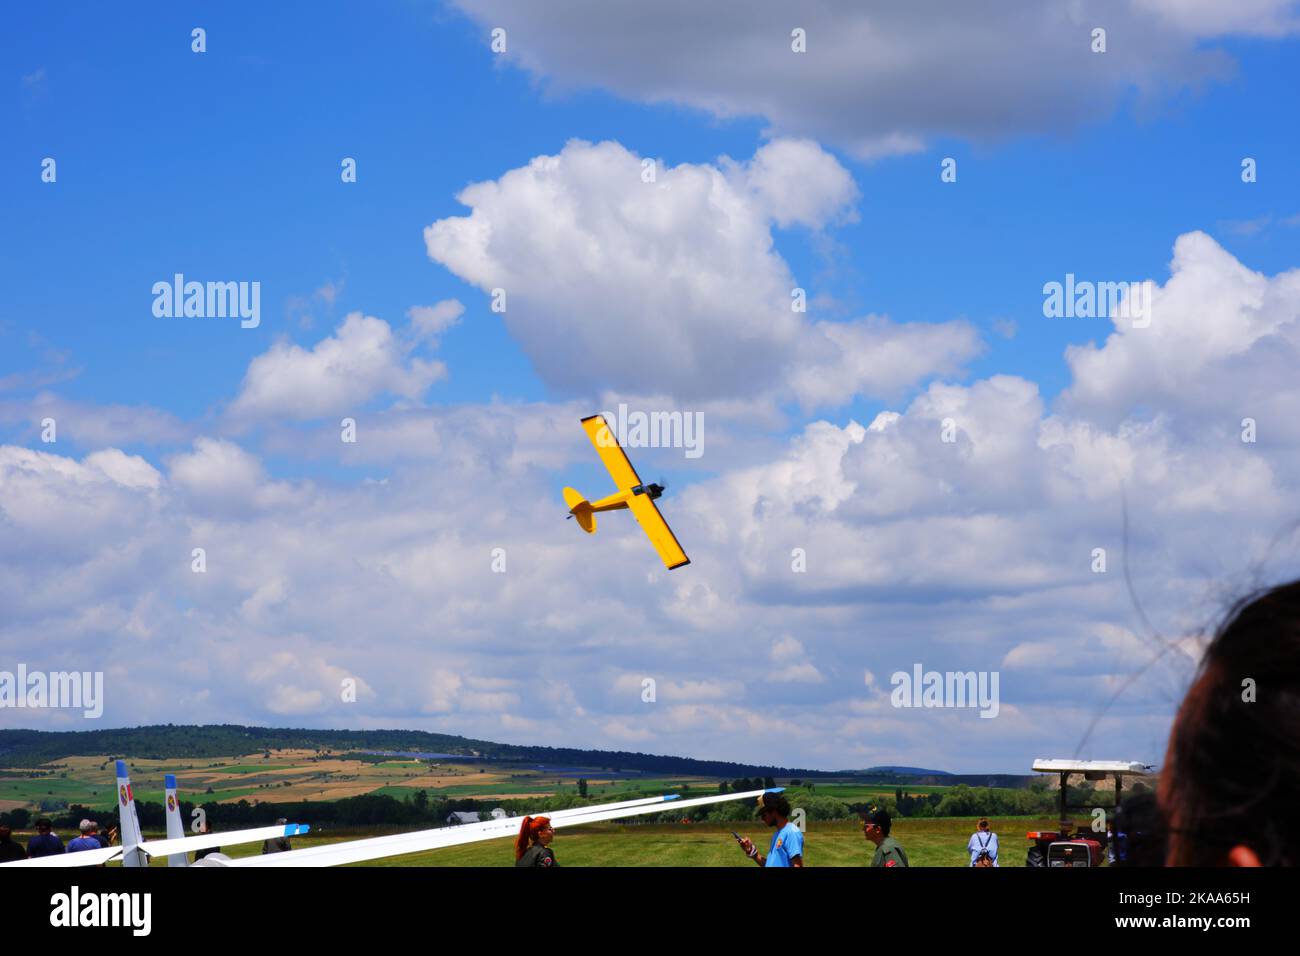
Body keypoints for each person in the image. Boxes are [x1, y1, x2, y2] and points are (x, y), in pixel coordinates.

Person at [736, 791, 803, 867]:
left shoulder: (791, 832)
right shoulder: (777, 834)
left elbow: (797, 865)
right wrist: (752, 852)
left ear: (773, 811)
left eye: (764, 815)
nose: (762, 818)